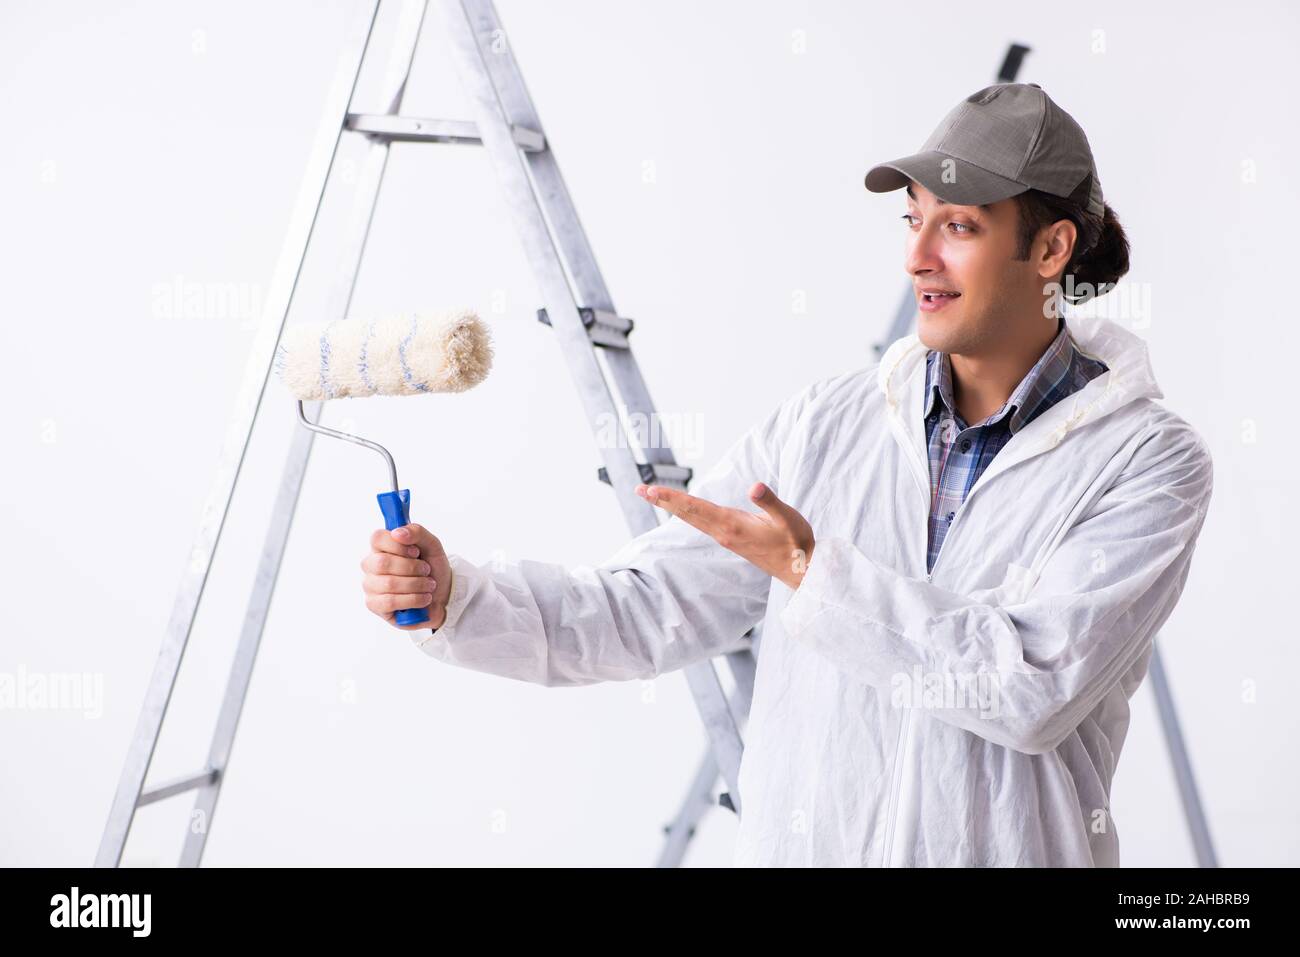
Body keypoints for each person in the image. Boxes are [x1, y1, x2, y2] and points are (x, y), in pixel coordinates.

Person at [358, 82, 1214, 867]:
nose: (917, 257)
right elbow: (642, 609)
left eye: (958, 226)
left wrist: (815, 573)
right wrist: (458, 597)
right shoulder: (826, 425)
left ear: (1052, 248)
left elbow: (1031, 684)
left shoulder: (1148, 461)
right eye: (911, 220)